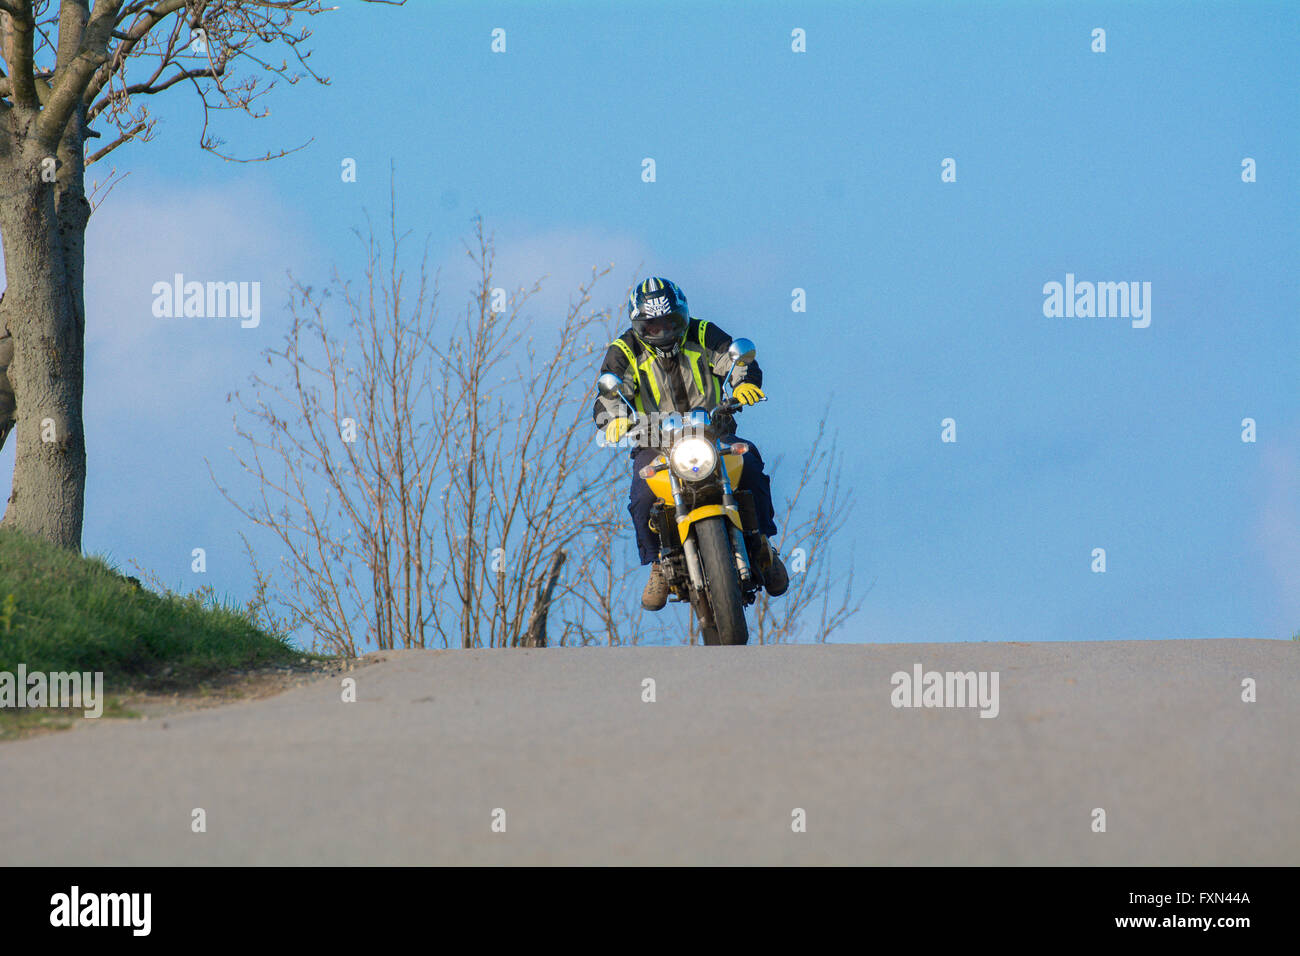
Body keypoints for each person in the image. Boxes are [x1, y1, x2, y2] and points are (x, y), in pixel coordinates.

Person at [592, 277, 789, 610]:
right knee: (642, 496)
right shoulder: (624, 350)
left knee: (750, 460)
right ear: (640, 325)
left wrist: (743, 385)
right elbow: (608, 393)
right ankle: (657, 562)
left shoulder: (702, 333)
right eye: (653, 324)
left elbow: (736, 359)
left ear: (682, 316)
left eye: (670, 321)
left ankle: (762, 543)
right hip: (654, 442)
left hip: (714, 432)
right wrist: (613, 420)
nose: (663, 330)